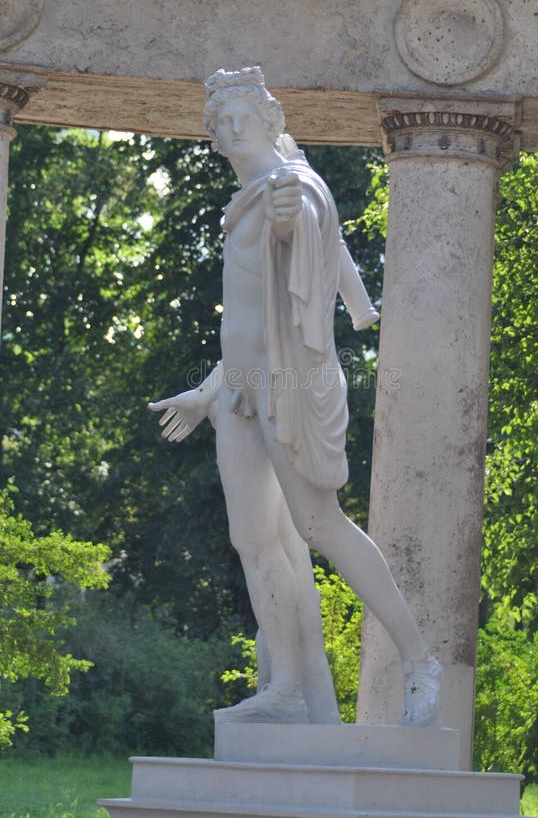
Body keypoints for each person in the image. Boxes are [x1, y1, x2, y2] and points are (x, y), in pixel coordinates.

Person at [149, 66, 441, 726]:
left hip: (286, 386)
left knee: (320, 526)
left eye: (240, 119)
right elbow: (246, 323)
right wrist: (208, 390)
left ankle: (420, 662)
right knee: (253, 539)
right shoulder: (252, 195)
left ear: (269, 123)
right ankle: (287, 687)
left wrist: (295, 225)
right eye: (217, 124)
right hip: (241, 391)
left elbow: (307, 226)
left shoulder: (288, 191)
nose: (227, 130)